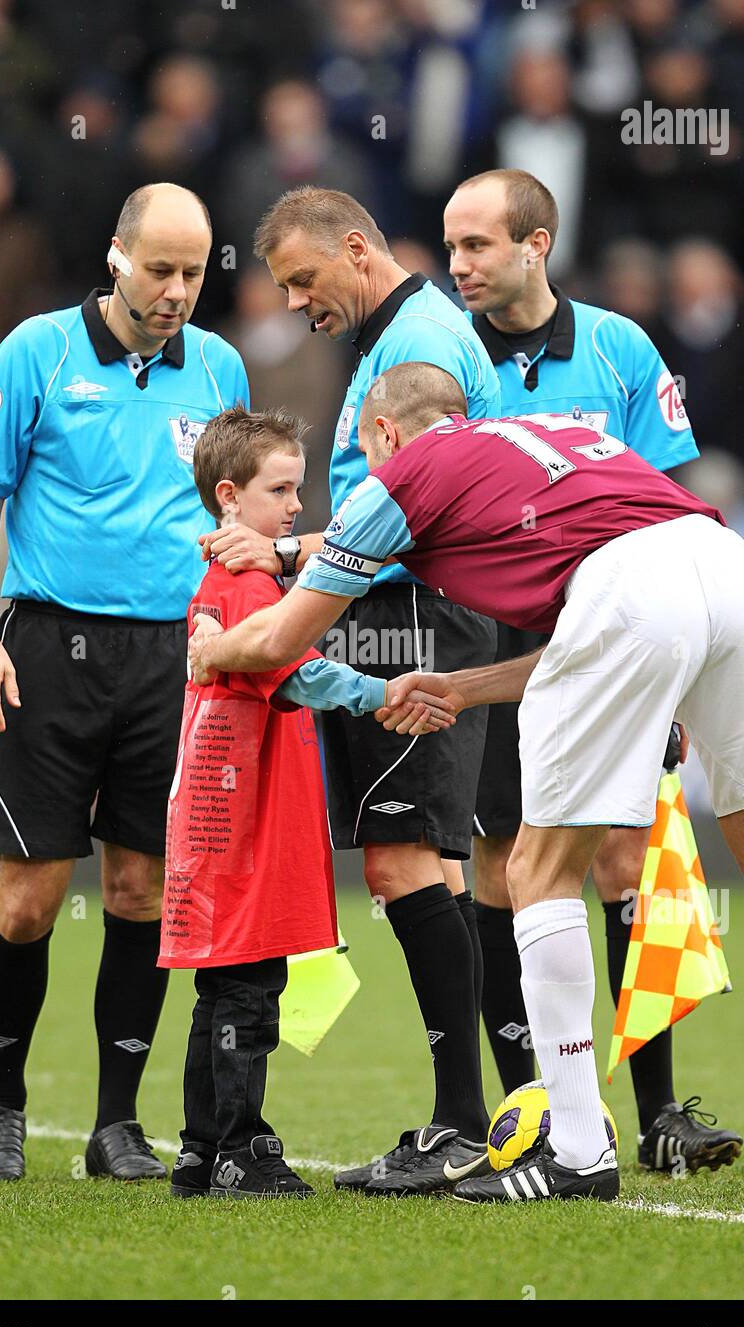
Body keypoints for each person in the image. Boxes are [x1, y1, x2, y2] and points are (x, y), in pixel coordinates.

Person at [188, 365, 744, 1204]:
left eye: (363, 449)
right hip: (723, 567)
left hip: (638, 591)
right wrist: (464, 688)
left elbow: (280, 640)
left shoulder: (398, 474)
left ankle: (579, 1152)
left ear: (384, 434)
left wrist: (210, 648)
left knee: (533, 873)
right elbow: (592, 636)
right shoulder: (562, 436)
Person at [442, 166, 741, 1173]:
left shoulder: (620, 348)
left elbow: (673, 500)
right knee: (500, 865)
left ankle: (656, 1113)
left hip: (621, 648)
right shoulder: (447, 361)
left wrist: (686, 658)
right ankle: (538, 1109)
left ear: (539, 241)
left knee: (626, 862)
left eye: (478, 245)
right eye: (451, 247)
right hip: (493, 645)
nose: (460, 266)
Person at [205, 187, 501, 1195]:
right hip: (417, 613)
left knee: (402, 868)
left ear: (358, 247)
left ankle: (463, 1121)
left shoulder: (417, 346)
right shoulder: (403, 336)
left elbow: (419, 510)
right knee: (443, 875)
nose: (294, 302)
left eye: (303, 279)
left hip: (410, 618)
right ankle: (484, 1112)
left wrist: (284, 547)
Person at [0, 183, 249, 1182]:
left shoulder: (218, 366)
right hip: (45, 653)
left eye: (195, 273)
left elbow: (234, 517)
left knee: (140, 890)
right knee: (29, 901)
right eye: (159, 269)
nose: (176, 291)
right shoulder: (36, 349)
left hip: (171, 660)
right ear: (116, 255)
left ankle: (116, 1122)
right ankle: (1, 1107)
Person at [165, 405, 448, 1199]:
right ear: (230, 497)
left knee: (225, 982)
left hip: (222, 810)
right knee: (248, 989)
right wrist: (380, 690)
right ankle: (239, 1148)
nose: (296, 506)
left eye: (299, 487)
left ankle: (199, 1149)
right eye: (280, 490)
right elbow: (298, 671)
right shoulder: (251, 582)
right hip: (243, 815)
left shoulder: (236, 578)